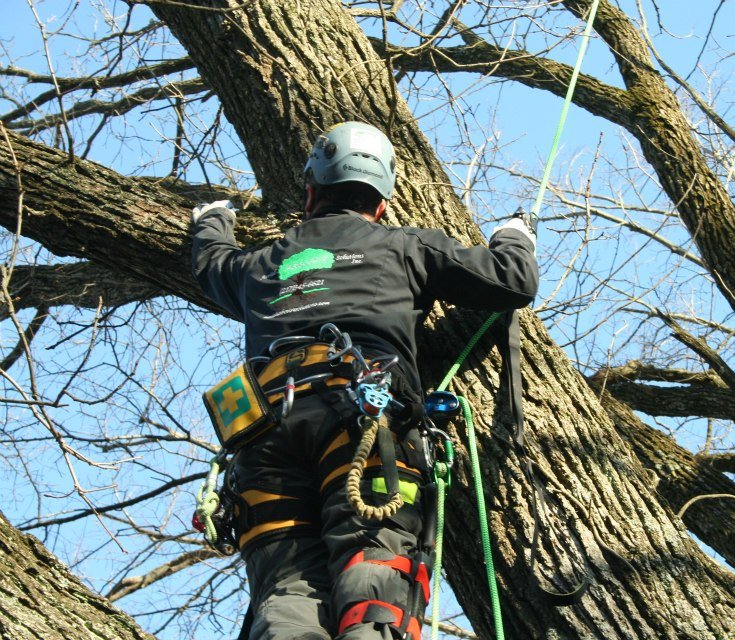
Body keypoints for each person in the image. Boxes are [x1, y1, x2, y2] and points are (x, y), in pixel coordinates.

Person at [191, 121, 538, 640]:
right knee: (373, 578)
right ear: (382, 203)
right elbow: (512, 279)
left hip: (264, 434)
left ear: (310, 193)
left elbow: (210, 261)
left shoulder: (261, 265)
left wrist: (212, 218)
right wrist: (515, 235)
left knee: (286, 594)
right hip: (361, 420)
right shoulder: (404, 245)